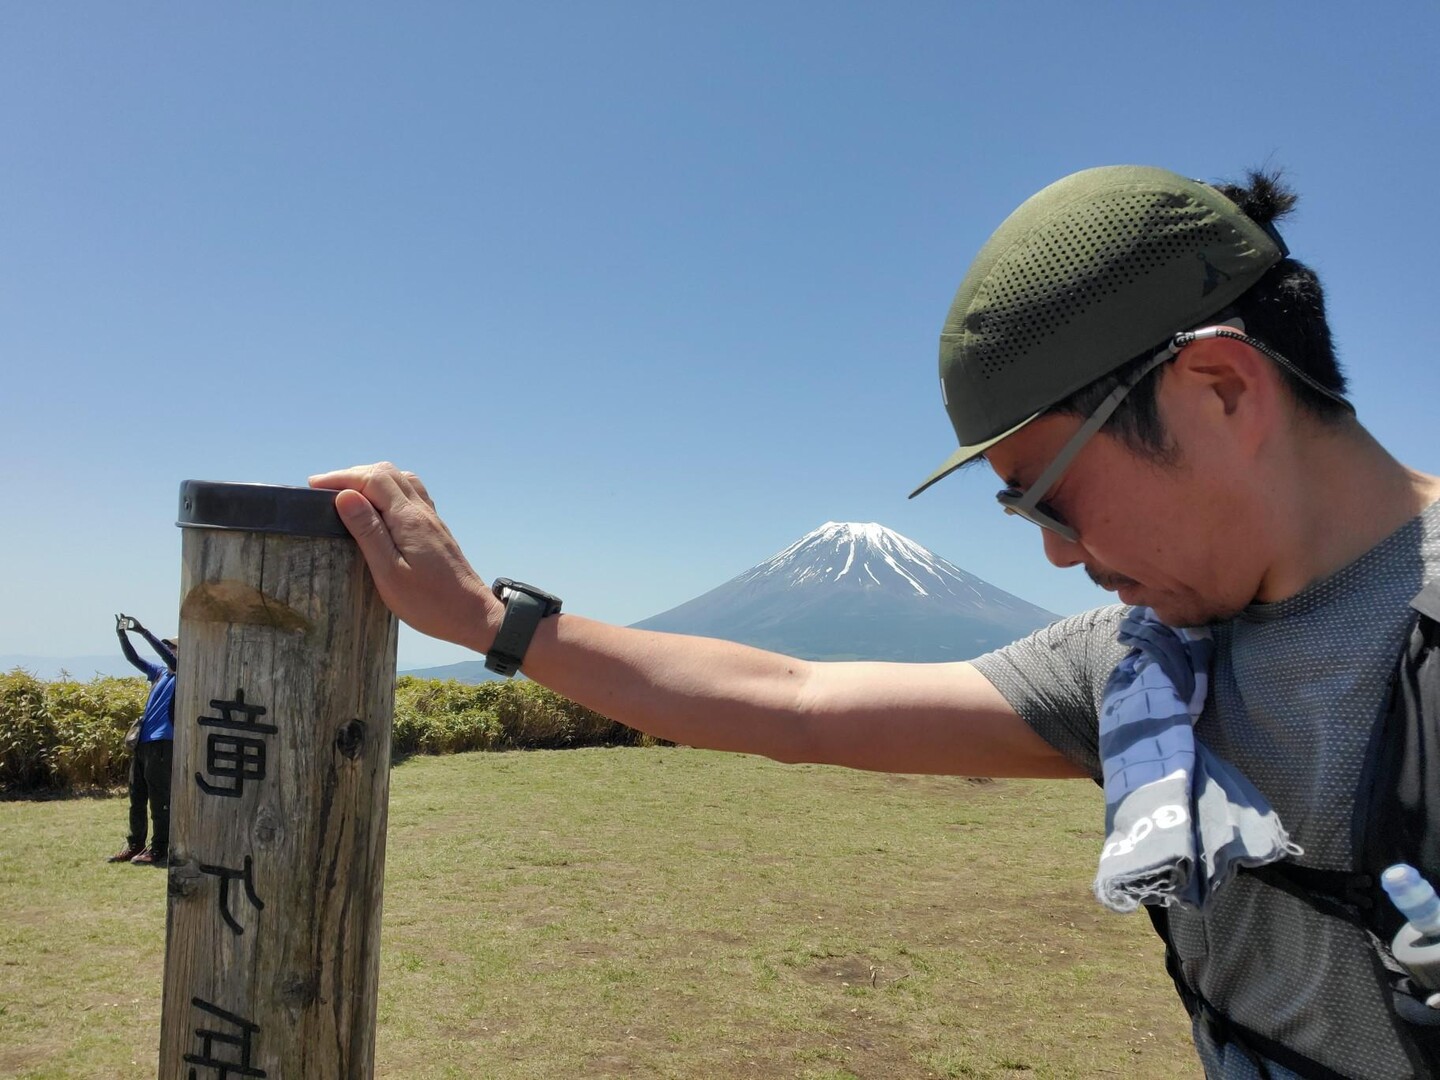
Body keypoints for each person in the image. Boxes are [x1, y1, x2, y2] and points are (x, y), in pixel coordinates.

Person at [311, 166, 1440, 1079]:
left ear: (1222, 392)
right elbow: (796, 703)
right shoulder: (1147, 664)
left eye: (1050, 494)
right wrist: (483, 621)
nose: (1054, 550)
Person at [108, 613, 177, 868]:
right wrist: (122, 635)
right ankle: (135, 845)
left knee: (159, 799)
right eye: (167, 645)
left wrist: (144, 631)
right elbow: (133, 659)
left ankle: (159, 848)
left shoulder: (185, 671)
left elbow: (169, 659)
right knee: (137, 796)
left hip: (164, 742)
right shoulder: (159, 673)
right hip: (144, 743)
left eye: (172, 646)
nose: (168, 649)